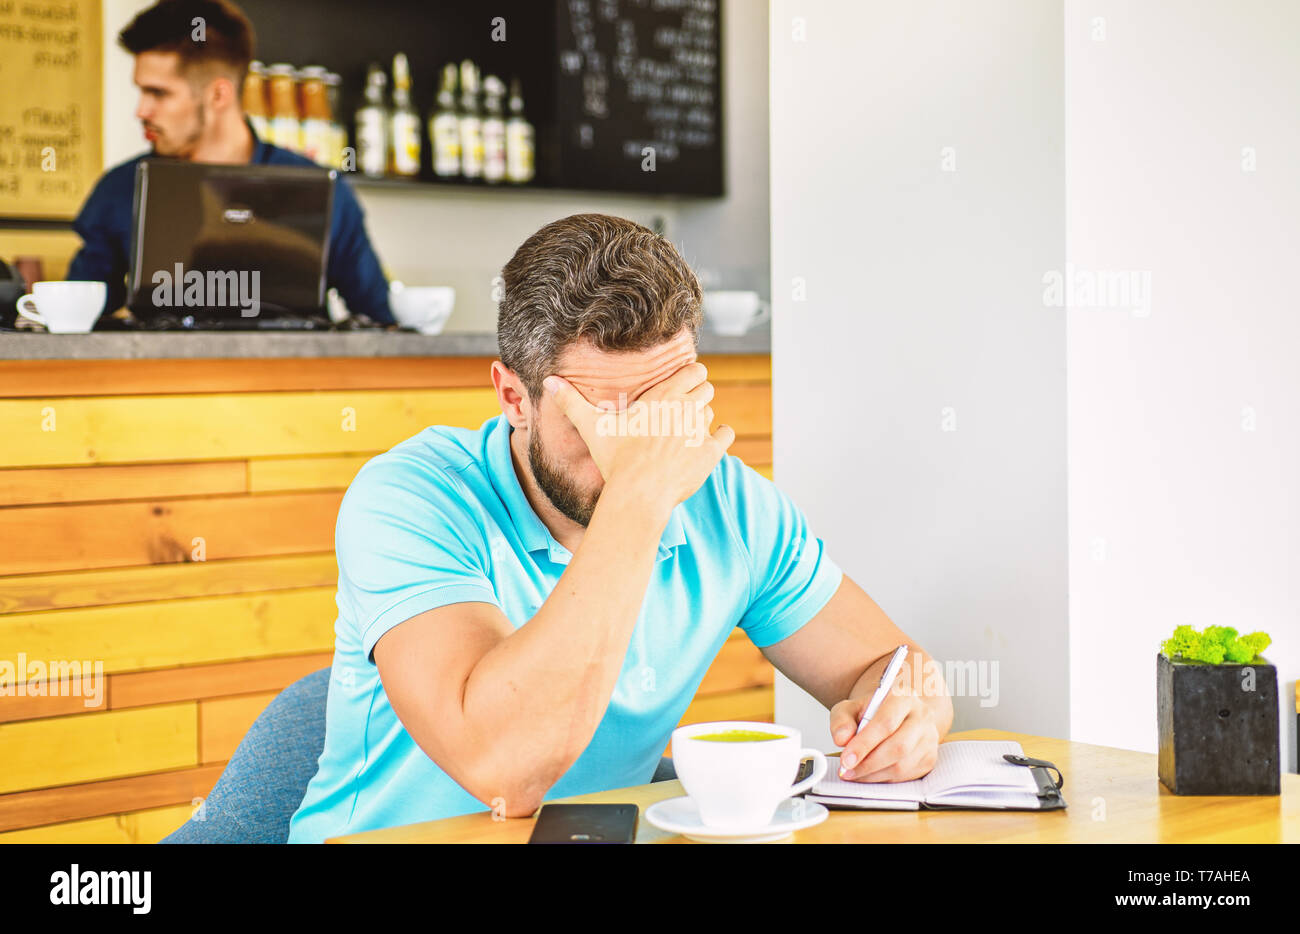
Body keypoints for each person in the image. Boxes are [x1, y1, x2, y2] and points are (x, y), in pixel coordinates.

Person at [286, 214, 953, 842]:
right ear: (515, 398)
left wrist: (908, 718)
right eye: (603, 418)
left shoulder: (732, 508)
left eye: (665, 408)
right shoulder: (411, 499)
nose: (638, 446)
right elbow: (504, 772)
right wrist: (639, 499)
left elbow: (890, 668)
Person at [67, 0, 394, 324]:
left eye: (159, 93)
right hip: (162, 375)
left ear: (218, 96)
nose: (142, 111)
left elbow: (380, 322)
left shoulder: (327, 193)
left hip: (290, 374)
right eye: (141, 92)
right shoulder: (119, 188)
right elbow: (74, 318)